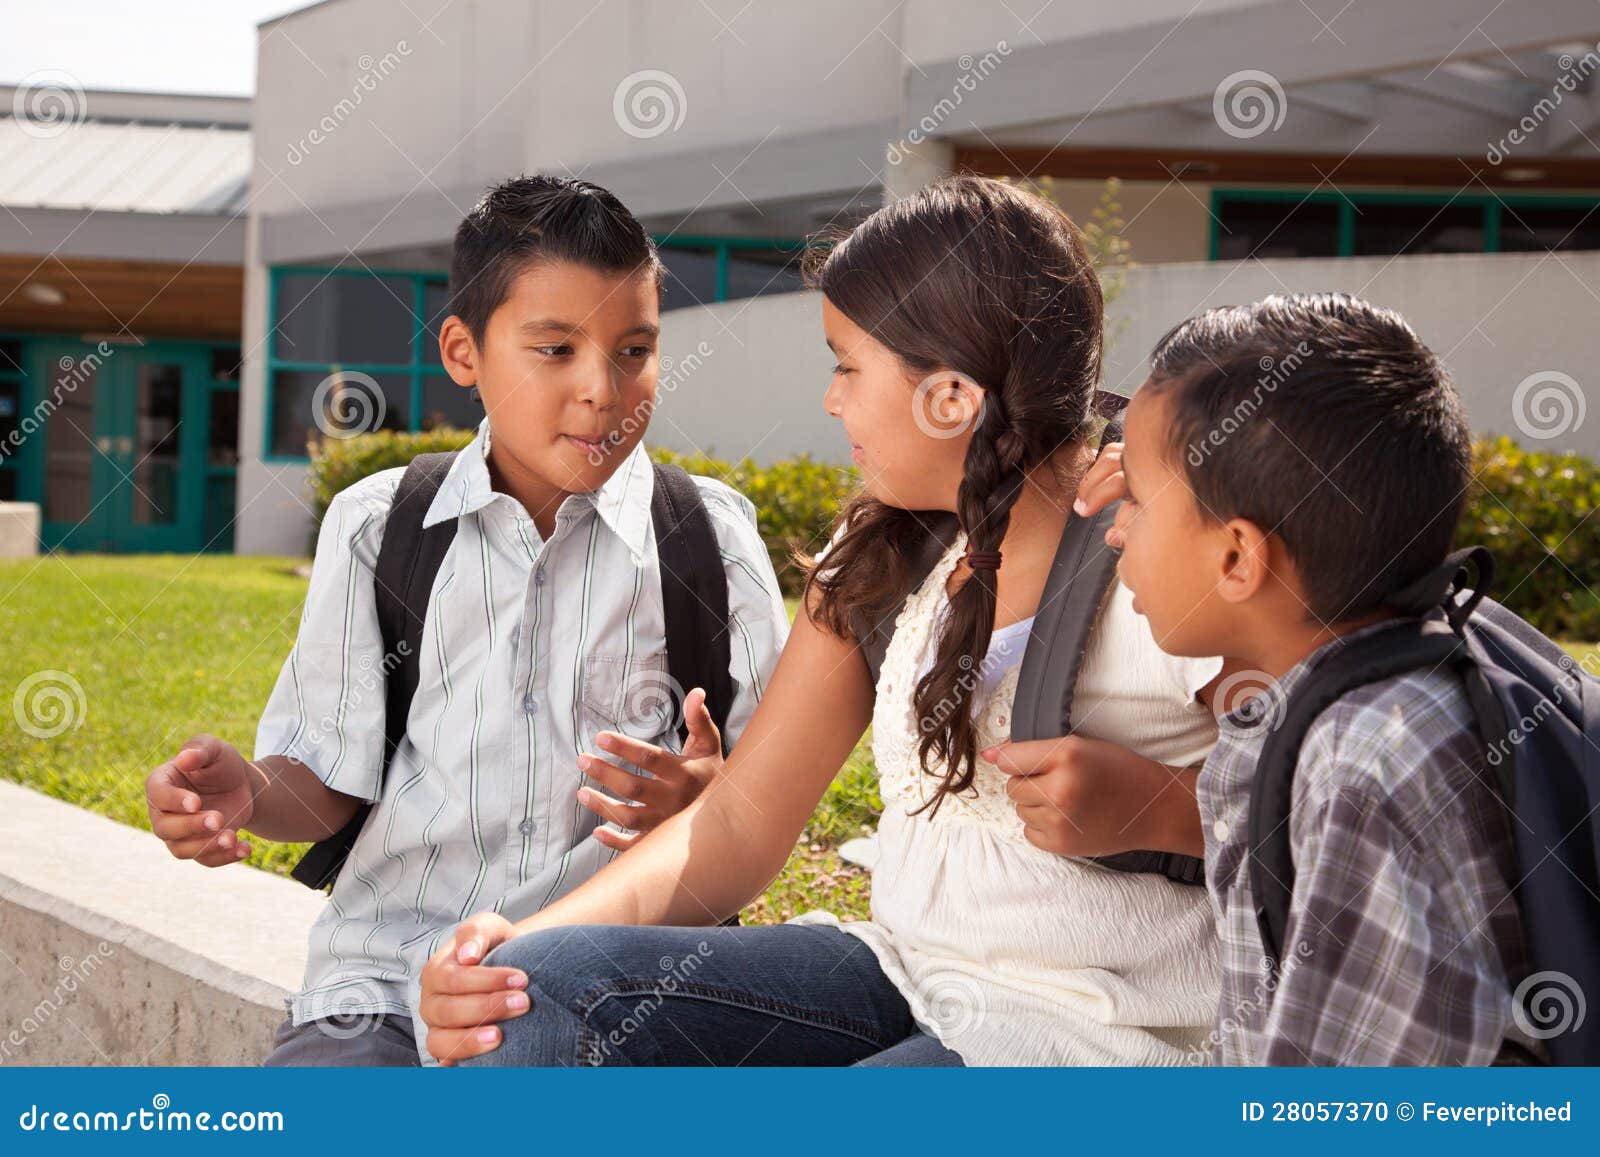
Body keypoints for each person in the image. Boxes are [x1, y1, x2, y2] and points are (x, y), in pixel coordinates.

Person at [420, 174, 1227, 1068]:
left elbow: (1336, 814)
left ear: (949, 396)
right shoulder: (885, 547)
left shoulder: (1166, 550)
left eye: (847, 365)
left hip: (1093, 1033)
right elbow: (736, 820)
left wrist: (1163, 807)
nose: (832, 400)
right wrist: (512, 939)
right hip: (905, 974)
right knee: (535, 994)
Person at [141, 175, 789, 1065]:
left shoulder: (708, 538)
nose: (603, 389)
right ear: (462, 350)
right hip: (385, 987)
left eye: (634, 350)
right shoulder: (381, 528)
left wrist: (700, 802)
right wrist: (250, 794)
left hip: (610, 989)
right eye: (556, 349)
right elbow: (331, 776)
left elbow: (766, 808)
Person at [1102, 292, 1535, 1064]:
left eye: (1135, 496)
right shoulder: (1401, 665)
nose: (1115, 527)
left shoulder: (1358, 762)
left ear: (1236, 557)